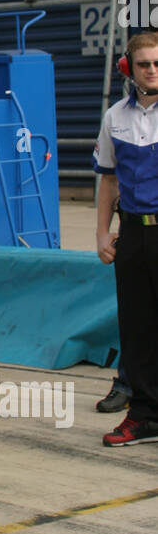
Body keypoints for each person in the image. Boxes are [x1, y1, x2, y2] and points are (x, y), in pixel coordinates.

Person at [94, 33, 158, 448]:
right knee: (137, 329)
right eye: (144, 64)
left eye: (157, 63)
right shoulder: (114, 117)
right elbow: (108, 178)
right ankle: (145, 416)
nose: (152, 70)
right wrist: (102, 232)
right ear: (128, 69)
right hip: (133, 234)